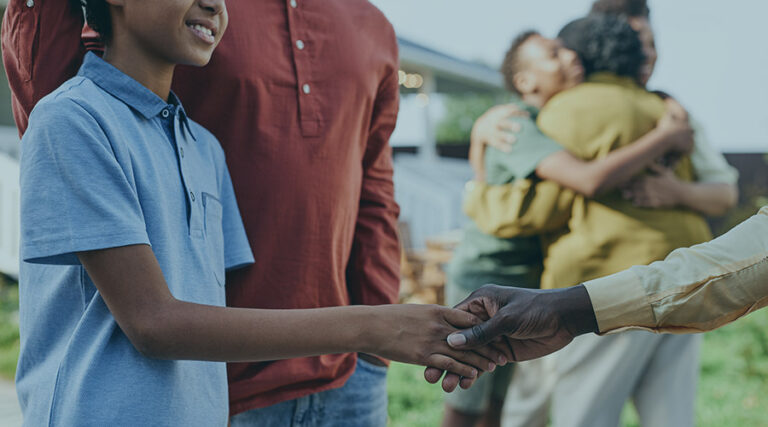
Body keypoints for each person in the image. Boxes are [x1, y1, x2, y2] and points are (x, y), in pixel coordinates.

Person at [15, 0, 504, 425]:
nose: (215, 5)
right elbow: (154, 322)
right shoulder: (70, 119)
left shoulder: (203, 147)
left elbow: (207, 302)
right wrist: (376, 325)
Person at [449, 15, 714, 427]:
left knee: (573, 412)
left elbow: (545, 206)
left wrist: (476, 195)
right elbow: (717, 188)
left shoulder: (563, 114)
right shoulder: (667, 111)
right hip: (684, 274)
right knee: (671, 416)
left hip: (604, 283)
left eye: (564, 50)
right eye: (554, 53)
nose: (566, 59)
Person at [446, 204, 768, 359]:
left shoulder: (562, 118)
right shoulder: (670, 117)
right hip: (631, 296)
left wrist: (567, 308)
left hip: (606, 291)